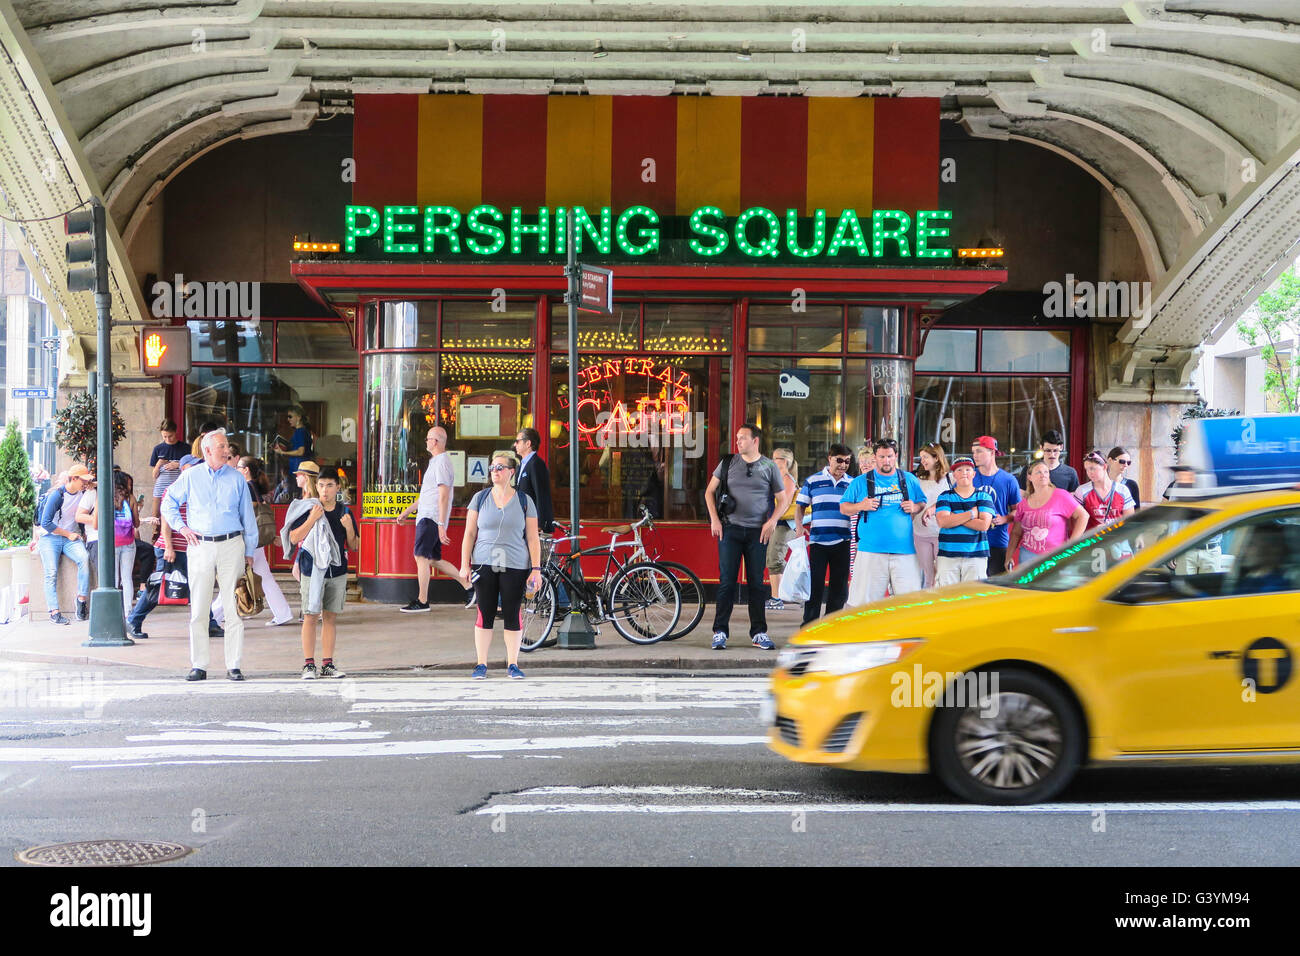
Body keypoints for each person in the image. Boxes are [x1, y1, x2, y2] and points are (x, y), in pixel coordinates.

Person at [161, 429, 258, 682]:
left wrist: (249, 551)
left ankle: (234, 665)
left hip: (231, 544)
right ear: (207, 451)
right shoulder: (191, 477)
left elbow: (248, 518)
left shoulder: (237, 479)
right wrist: (181, 527)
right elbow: (167, 502)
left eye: (226, 446)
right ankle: (199, 665)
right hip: (201, 546)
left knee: (234, 606)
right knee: (199, 608)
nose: (227, 451)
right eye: (222, 447)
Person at [704, 424, 790, 651]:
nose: (738, 441)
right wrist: (714, 519)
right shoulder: (728, 463)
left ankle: (759, 632)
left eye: (743, 438)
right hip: (730, 530)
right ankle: (720, 631)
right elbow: (709, 491)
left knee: (756, 583)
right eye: (737, 437)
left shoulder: (769, 467)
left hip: (757, 533)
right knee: (726, 583)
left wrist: (772, 522)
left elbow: (784, 499)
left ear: (755, 441)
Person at [458, 453, 542, 680]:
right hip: (484, 562)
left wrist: (536, 569)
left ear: (511, 472)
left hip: (515, 563)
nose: (495, 471)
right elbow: (469, 533)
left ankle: (513, 664)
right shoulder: (480, 497)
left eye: (500, 467)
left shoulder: (525, 501)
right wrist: (465, 564)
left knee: (513, 612)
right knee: (484, 612)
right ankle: (481, 664)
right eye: (492, 467)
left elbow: (533, 538)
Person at [127, 455, 220, 640]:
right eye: (195, 466)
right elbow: (167, 520)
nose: (200, 469)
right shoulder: (174, 489)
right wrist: (169, 547)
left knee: (198, 585)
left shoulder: (196, 489)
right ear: (184, 468)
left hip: (189, 547)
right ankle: (133, 620)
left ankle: (210, 624)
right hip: (172, 548)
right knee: (158, 587)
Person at [288, 468, 357, 679]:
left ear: (337, 487)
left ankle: (328, 664)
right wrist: (311, 519)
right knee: (310, 615)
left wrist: (349, 529)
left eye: (329, 485)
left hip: (337, 570)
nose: (324, 490)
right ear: (315, 486)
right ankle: (309, 664)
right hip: (312, 569)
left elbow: (354, 545)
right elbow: (293, 538)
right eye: (320, 485)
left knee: (330, 617)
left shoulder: (345, 512)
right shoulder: (309, 508)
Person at [841, 438, 925, 605]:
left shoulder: (908, 479)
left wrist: (914, 507)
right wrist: (861, 505)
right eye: (881, 457)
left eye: (889, 456)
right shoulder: (860, 481)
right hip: (871, 551)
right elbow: (844, 508)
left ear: (896, 456)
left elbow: (922, 502)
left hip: (904, 551)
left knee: (909, 604)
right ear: (875, 457)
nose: (886, 461)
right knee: (864, 604)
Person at [211, 457, 293, 628]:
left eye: (239, 466)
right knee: (265, 578)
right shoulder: (253, 486)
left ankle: (212, 617)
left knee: (231, 579)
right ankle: (283, 613)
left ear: (246, 470)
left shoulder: (246, 487)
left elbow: (244, 515)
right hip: (254, 541)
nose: (236, 469)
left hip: (246, 541)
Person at [396, 426, 462, 612]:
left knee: (421, 557)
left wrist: (441, 524)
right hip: (428, 515)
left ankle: (422, 601)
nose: (425, 441)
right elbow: (428, 495)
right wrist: (407, 511)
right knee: (432, 558)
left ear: (436, 441)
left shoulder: (441, 463)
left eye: (428, 438)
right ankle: (469, 585)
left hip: (431, 517)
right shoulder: (436, 462)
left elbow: (443, 495)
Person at [795, 444, 853, 624]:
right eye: (839, 460)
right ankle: (809, 626)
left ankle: (831, 627)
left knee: (839, 589)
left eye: (847, 461)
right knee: (814, 587)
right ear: (830, 458)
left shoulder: (852, 483)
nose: (843, 465)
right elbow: (800, 507)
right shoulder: (813, 481)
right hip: (818, 542)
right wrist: (798, 527)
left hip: (843, 542)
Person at [1006, 460, 1089, 571]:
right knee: (1028, 589)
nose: (1043, 475)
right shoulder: (1023, 504)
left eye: (1046, 472)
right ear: (1029, 477)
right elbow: (1016, 533)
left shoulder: (1061, 495)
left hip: (1056, 556)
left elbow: (1083, 516)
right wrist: (1008, 556)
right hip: (1027, 556)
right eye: (1038, 472)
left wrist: (1071, 546)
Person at [37, 463, 93, 624]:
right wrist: (68, 534)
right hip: (50, 537)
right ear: (73, 479)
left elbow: (97, 487)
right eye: (83, 480)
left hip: (71, 537)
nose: (85, 483)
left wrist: (91, 484)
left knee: (83, 558)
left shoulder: (84, 492)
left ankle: (81, 600)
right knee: (51, 572)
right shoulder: (57, 495)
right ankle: (54, 611)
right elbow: (45, 523)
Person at [933, 456, 995, 585]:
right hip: (948, 555)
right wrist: (972, 514)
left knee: (973, 599)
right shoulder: (945, 496)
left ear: (974, 474)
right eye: (959, 470)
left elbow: (984, 525)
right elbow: (943, 522)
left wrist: (954, 516)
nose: (964, 473)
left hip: (976, 555)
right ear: (954, 475)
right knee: (947, 597)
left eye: (968, 469)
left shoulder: (983, 496)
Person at [971, 435, 1022, 576]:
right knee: (972, 589)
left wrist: (1005, 518)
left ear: (992, 452)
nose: (975, 455)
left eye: (979, 451)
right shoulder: (969, 476)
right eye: (973, 452)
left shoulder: (1009, 480)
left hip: (997, 542)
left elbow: (1018, 511)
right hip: (971, 541)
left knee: (995, 588)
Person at [765, 448, 800, 611]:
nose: (771, 461)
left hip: (784, 525)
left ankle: (776, 598)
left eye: (774, 458)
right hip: (779, 523)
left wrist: (772, 520)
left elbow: (784, 503)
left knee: (775, 559)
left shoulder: (787, 479)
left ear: (784, 462)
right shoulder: (780, 478)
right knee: (775, 559)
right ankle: (795, 591)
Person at [913, 443, 950, 588]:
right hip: (920, 533)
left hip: (942, 533)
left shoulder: (950, 479)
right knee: (928, 576)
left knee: (943, 574)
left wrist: (934, 508)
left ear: (936, 458)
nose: (922, 461)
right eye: (921, 457)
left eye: (926, 457)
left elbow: (954, 500)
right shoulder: (918, 480)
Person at [1075, 450, 1136, 530]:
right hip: (1094, 540)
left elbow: (1130, 521)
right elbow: (1075, 520)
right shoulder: (1082, 491)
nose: (1089, 473)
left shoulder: (1122, 490)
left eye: (1092, 468)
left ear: (1104, 467)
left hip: (1117, 540)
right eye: (1087, 469)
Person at [150, 420, 187, 518]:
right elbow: (154, 476)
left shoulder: (185, 448)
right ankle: (157, 533)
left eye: (170, 436)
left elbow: (192, 470)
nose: (168, 439)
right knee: (156, 517)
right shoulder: (158, 449)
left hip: (178, 488)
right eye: (164, 436)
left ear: (175, 432)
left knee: (178, 516)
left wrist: (179, 465)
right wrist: (159, 464)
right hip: (160, 488)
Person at [281, 406, 315, 479]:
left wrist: (283, 453)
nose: (288, 419)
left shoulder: (300, 432)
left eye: (290, 417)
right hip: (301, 467)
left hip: (298, 468)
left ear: (299, 417)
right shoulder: (304, 431)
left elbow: (300, 451)